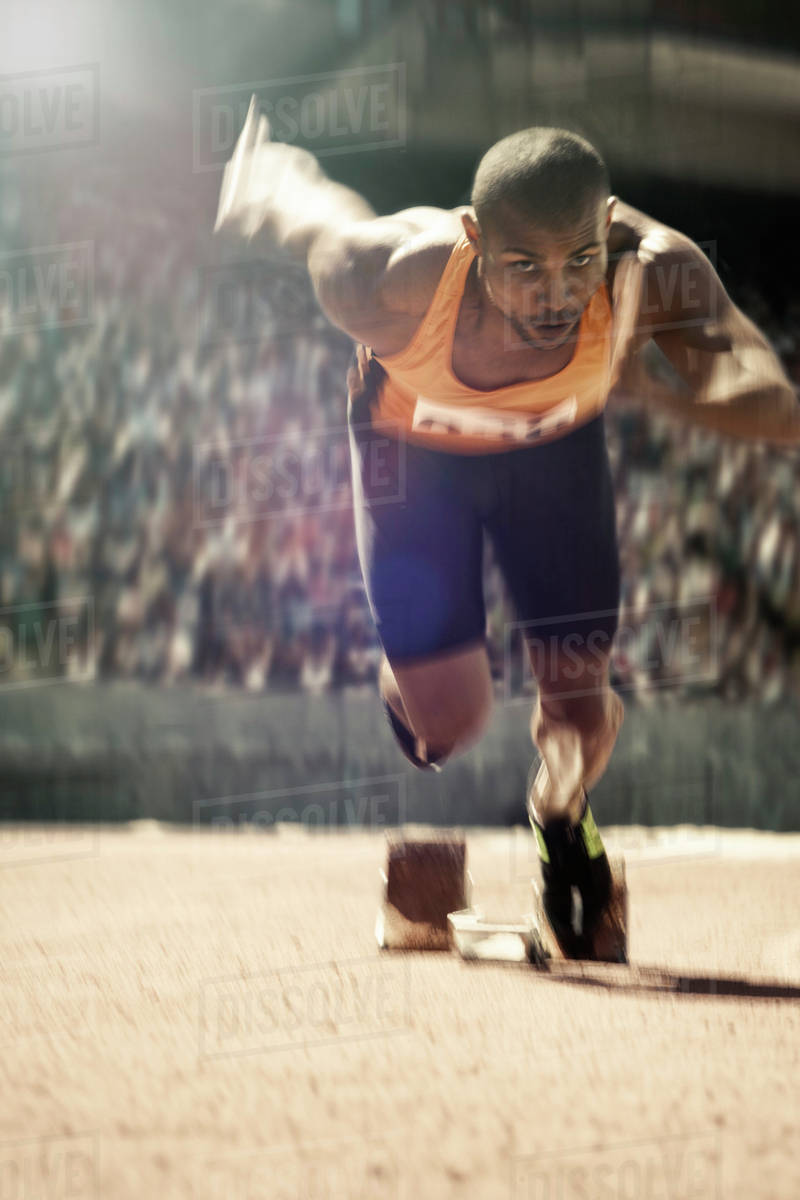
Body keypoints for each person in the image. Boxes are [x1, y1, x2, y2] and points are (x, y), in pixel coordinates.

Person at [215, 97, 800, 959]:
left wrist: (658, 388)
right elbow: (318, 221)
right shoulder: (386, 277)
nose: (558, 294)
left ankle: (559, 816)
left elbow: (774, 398)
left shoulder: (651, 270)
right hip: (415, 456)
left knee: (582, 716)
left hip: (553, 455)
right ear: (475, 240)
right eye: (524, 266)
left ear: (607, 226)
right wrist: (274, 182)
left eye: (580, 261)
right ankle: (411, 676)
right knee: (446, 726)